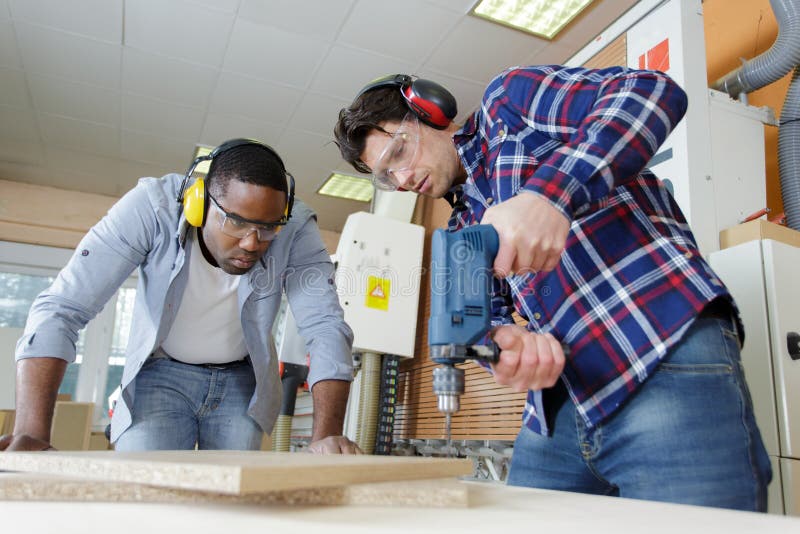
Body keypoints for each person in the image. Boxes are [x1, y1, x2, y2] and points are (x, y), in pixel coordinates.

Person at [334, 67, 772, 509]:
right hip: (561, 410)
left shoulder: (508, 108)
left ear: (429, 111)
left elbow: (651, 93)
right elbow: (490, 325)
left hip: (657, 356)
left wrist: (549, 196)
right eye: (387, 178)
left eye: (398, 154)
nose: (403, 180)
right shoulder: (463, 225)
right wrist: (505, 348)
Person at [1, 139, 359, 454]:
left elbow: (325, 325)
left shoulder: (294, 229)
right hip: (159, 373)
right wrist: (31, 433)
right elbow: (63, 307)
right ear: (198, 205)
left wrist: (326, 437)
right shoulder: (151, 209)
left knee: (233, 506)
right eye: (235, 222)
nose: (252, 243)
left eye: (267, 228)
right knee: (149, 494)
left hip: (241, 382)